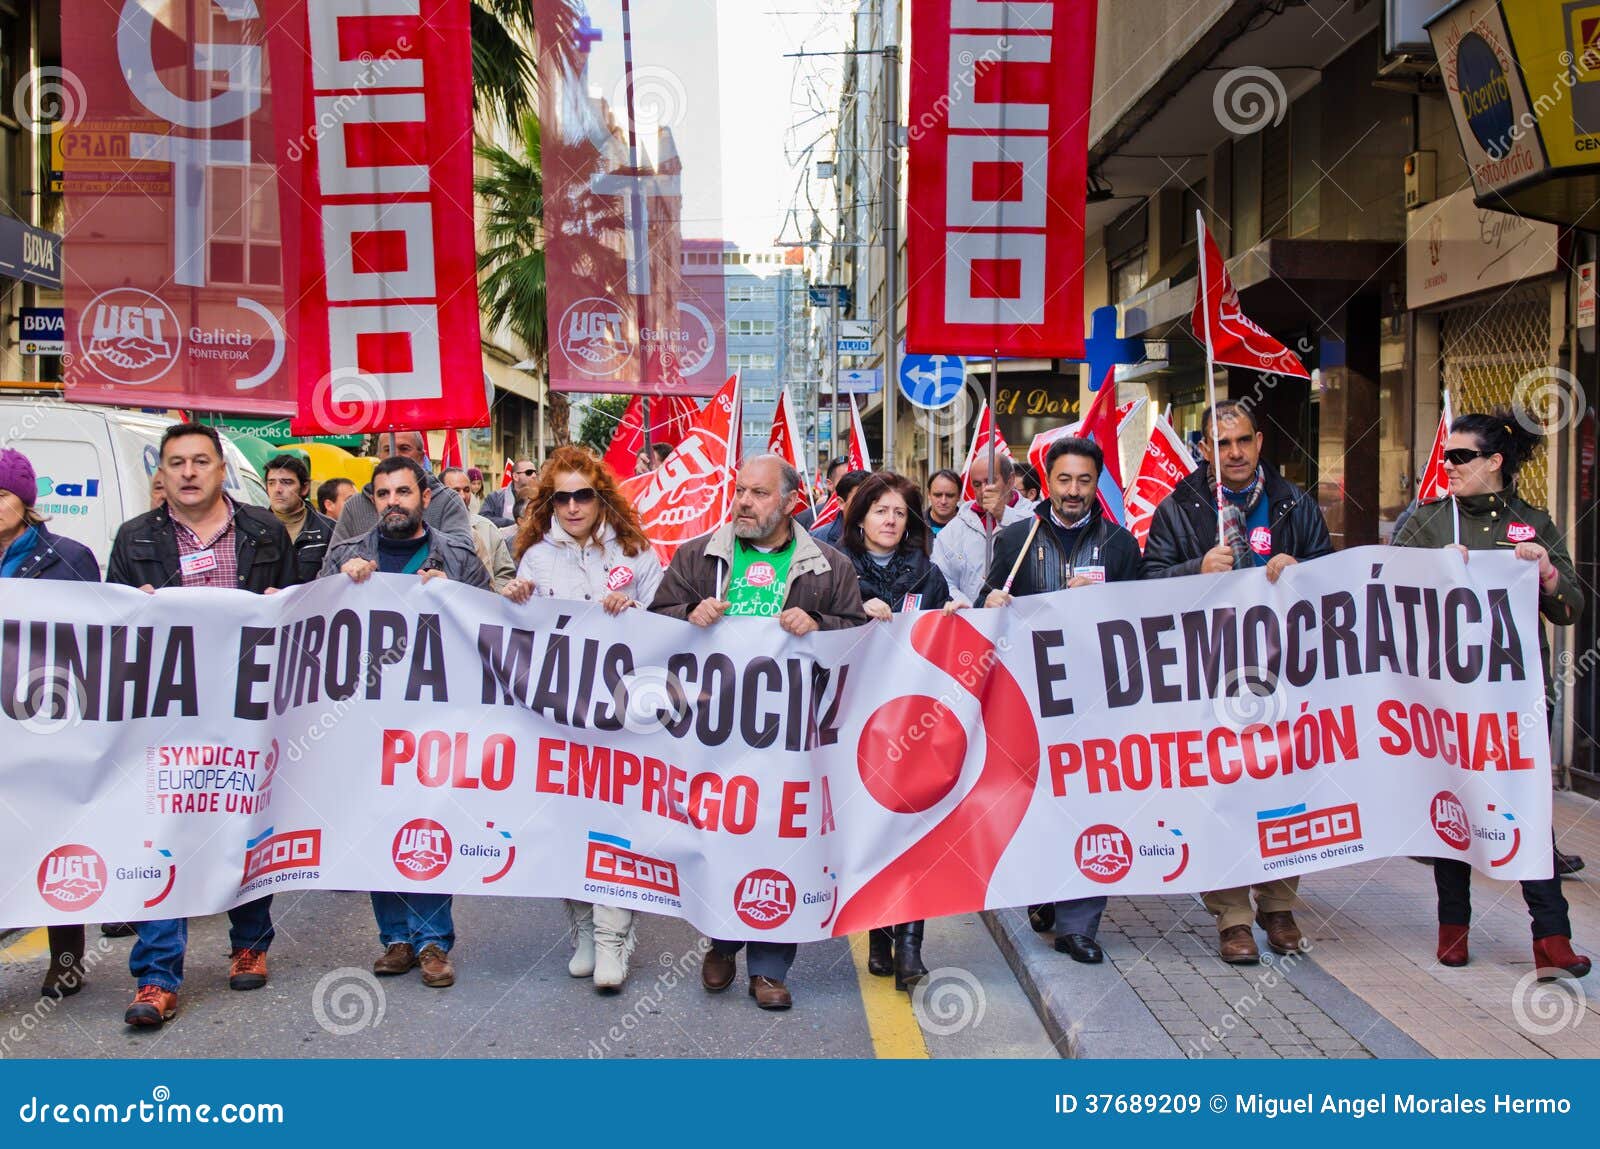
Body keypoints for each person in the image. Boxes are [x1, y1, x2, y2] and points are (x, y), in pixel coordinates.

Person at [650, 454, 867, 1010]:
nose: (744, 502)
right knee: (723, 836)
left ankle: (770, 967)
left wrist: (820, 626)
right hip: (714, 735)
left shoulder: (828, 566)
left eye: (759, 494)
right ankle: (722, 941)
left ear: (790, 502)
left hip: (791, 738)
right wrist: (688, 613)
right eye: (740, 491)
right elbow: (653, 625)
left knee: (782, 843)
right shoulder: (698, 557)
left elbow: (860, 641)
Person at [106, 423, 298, 1028]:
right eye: (176, 463)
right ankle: (157, 975)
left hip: (247, 707)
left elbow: (296, 613)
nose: (188, 472)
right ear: (160, 474)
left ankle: (250, 944)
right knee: (162, 830)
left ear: (221, 469)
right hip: (168, 712)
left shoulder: (264, 530)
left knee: (246, 820)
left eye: (200, 461)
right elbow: (109, 625)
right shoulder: (134, 537)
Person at [1392, 412, 1590, 978]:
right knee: (1453, 804)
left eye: (1460, 457)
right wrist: (1432, 571)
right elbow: (1380, 591)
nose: (1447, 466)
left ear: (1494, 462)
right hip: (1443, 695)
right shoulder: (1428, 522)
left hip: (1514, 699)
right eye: (1446, 456)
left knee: (1526, 805)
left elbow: (1572, 607)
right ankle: (1452, 927)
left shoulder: (1532, 522)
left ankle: (1551, 936)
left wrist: (1547, 572)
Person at [1140, 399, 1332, 964]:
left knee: (1283, 784)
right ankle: (1233, 916)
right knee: (1221, 786)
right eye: (1221, 444)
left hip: (1282, 671)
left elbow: (1328, 572)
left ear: (1260, 442)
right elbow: (1148, 584)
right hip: (1212, 671)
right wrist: (1192, 571)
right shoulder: (1179, 507)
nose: (1235, 453)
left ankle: (1278, 904)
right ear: (1204, 450)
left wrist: (1300, 569)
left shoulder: (1293, 501)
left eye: (1243, 440)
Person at [499, 446, 664, 991]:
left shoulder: (637, 552)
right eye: (562, 496)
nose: (573, 506)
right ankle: (585, 930)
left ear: (601, 498)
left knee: (617, 825)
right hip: (557, 715)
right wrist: (515, 596)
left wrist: (634, 612)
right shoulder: (535, 557)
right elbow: (515, 634)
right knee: (566, 822)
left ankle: (616, 936)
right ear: (550, 500)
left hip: (622, 717)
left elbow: (668, 628)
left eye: (583, 495)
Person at [323, 457, 490, 992]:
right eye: (382, 493)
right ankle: (395, 938)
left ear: (424, 496)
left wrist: (454, 592)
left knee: (427, 818)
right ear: (372, 500)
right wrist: (341, 588)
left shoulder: (457, 553)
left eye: (403, 491)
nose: (393, 501)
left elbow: (490, 621)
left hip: (435, 712)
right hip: (365, 714)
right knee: (375, 817)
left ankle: (433, 940)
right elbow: (313, 620)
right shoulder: (347, 554)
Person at [980, 437, 1141, 964]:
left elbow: (1143, 618)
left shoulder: (1119, 545)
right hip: (1030, 701)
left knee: (1088, 804)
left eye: (1085, 481)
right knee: (1038, 805)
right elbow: (985, 610)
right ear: (1047, 481)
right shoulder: (1015, 539)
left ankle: (1079, 925)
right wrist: (991, 602)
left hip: (1096, 701)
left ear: (1097, 484)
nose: (1074, 491)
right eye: (1065, 480)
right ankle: (1045, 890)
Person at [838, 471, 954, 989]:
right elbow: (813, 623)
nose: (889, 519)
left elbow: (946, 643)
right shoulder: (834, 567)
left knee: (912, 830)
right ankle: (879, 932)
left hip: (916, 721)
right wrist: (852, 614)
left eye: (899, 512)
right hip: (854, 723)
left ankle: (910, 947)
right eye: (880, 509)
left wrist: (955, 617)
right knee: (872, 832)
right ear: (861, 515)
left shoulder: (928, 574)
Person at [0, 447, 103, 1000]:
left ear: (26, 502)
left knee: (51, 836)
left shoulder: (67, 556)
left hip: (46, 715)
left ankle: (66, 956)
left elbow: (94, 638)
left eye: (2, 495)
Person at [321, 432, 471, 573]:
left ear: (421, 456)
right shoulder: (354, 505)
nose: (395, 454)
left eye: (404, 448)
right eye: (387, 449)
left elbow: (464, 562)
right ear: (378, 456)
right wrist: (344, 572)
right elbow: (331, 569)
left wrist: (447, 582)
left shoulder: (448, 501)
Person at [931, 451, 1031, 606]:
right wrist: (973, 610)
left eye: (990, 481)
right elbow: (942, 578)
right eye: (977, 484)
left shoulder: (1036, 515)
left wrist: (1004, 514)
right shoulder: (953, 529)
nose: (984, 490)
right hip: (972, 622)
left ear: (1010, 480)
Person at [441, 465, 516, 590]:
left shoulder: (487, 528)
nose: (463, 496)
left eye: (466, 490)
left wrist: (490, 598)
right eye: (455, 491)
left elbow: (505, 574)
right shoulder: (430, 530)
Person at [264, 454, 335, 585]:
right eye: (271, 483)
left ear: (304, 488)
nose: (278, 489)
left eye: (286, 482)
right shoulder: (253, 528)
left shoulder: (330, 529)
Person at [811, 469, 870, 548]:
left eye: (872, 500)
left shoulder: (887, 536)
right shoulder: (818, 539)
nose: (867, 506)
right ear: (841, 503)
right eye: (859, 500)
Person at [481, 458, 538, 527]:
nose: (534, 476)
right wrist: (510, 523)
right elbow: (483, 519)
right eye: (529, 472)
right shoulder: (495, 497)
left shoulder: (542, 496)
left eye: (535, 472)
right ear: (515, 476)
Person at [797, 456, 847, 530]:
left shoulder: (866, 516)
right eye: (846, 479)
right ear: (830, 484)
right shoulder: (804, 519)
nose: (854, 483)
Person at [926, 468, 961, 537]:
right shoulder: (914, 525)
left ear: (959, 496)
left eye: (950, 495)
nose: (943, 501)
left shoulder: (971, 526)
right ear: (929, 494)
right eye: (937, 495)